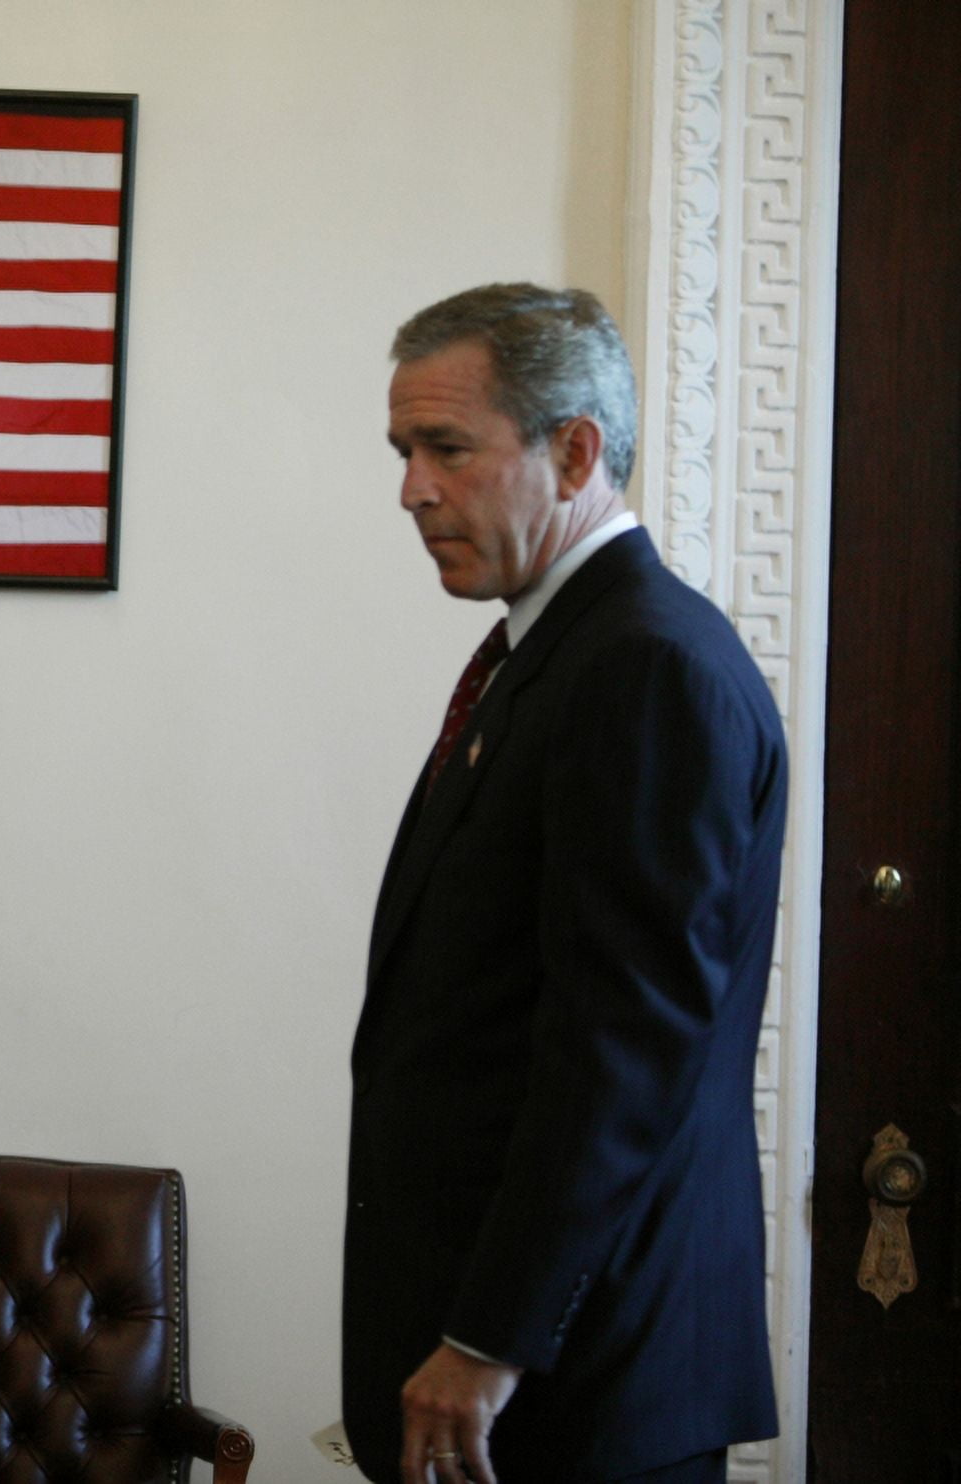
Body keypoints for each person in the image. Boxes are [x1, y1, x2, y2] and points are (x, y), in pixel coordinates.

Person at [342, 285, 785, 1484]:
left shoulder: (641, 665)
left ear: (574, 448)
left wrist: (489, 1336)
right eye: (402, 451)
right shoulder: (557, 650)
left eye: (446, 447)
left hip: (566, 1387)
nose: (412, 489)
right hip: (522, 1377)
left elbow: (622, 1049)